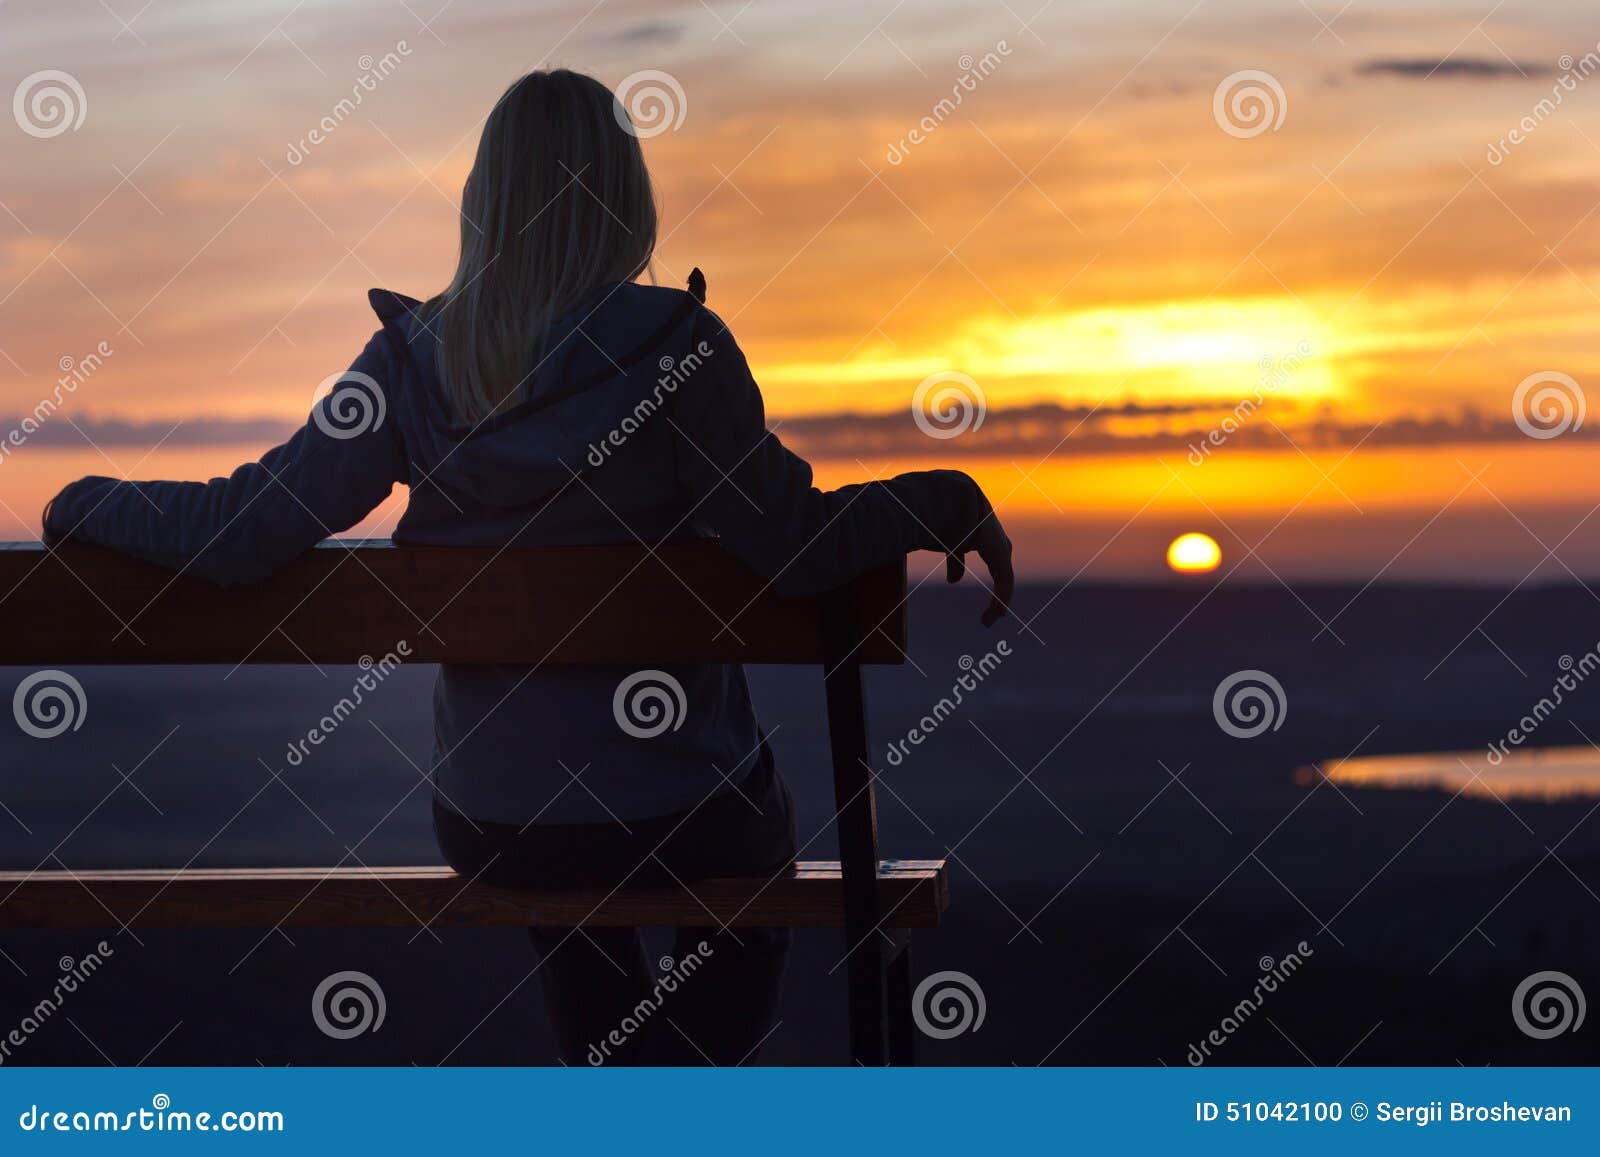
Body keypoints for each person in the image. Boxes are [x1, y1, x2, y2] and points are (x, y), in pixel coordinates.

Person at [41, 68, 1013, 1065]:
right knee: (747, 863)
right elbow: (795, 546)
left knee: (554, 839)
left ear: (484, 198)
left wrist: (80, 503)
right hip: (685, 808)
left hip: (496, 818)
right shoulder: (683, 350)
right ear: (623, 195)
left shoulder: (411, 363)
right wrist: (940, 499)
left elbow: (246, 528)